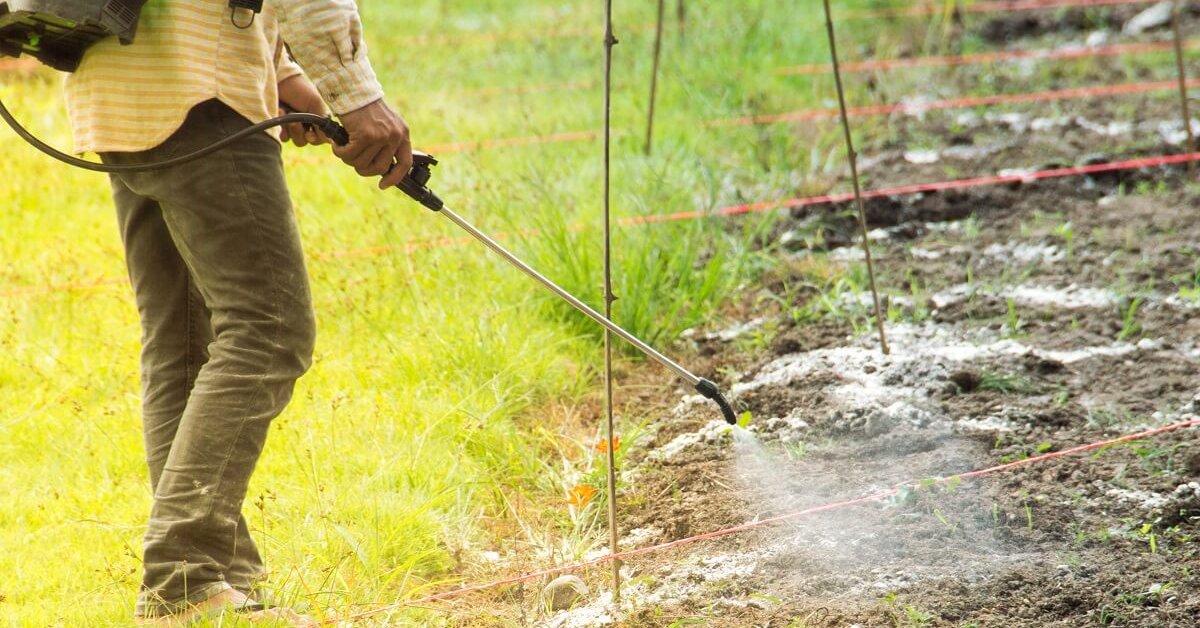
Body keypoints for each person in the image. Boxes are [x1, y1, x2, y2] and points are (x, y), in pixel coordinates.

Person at [63, 0, 410, 624]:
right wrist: (359, 97)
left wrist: (278, 70)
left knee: (182, 343)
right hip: (198, 97)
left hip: (119, 90)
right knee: (269, 330)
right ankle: (184, 578)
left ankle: (214, 582)